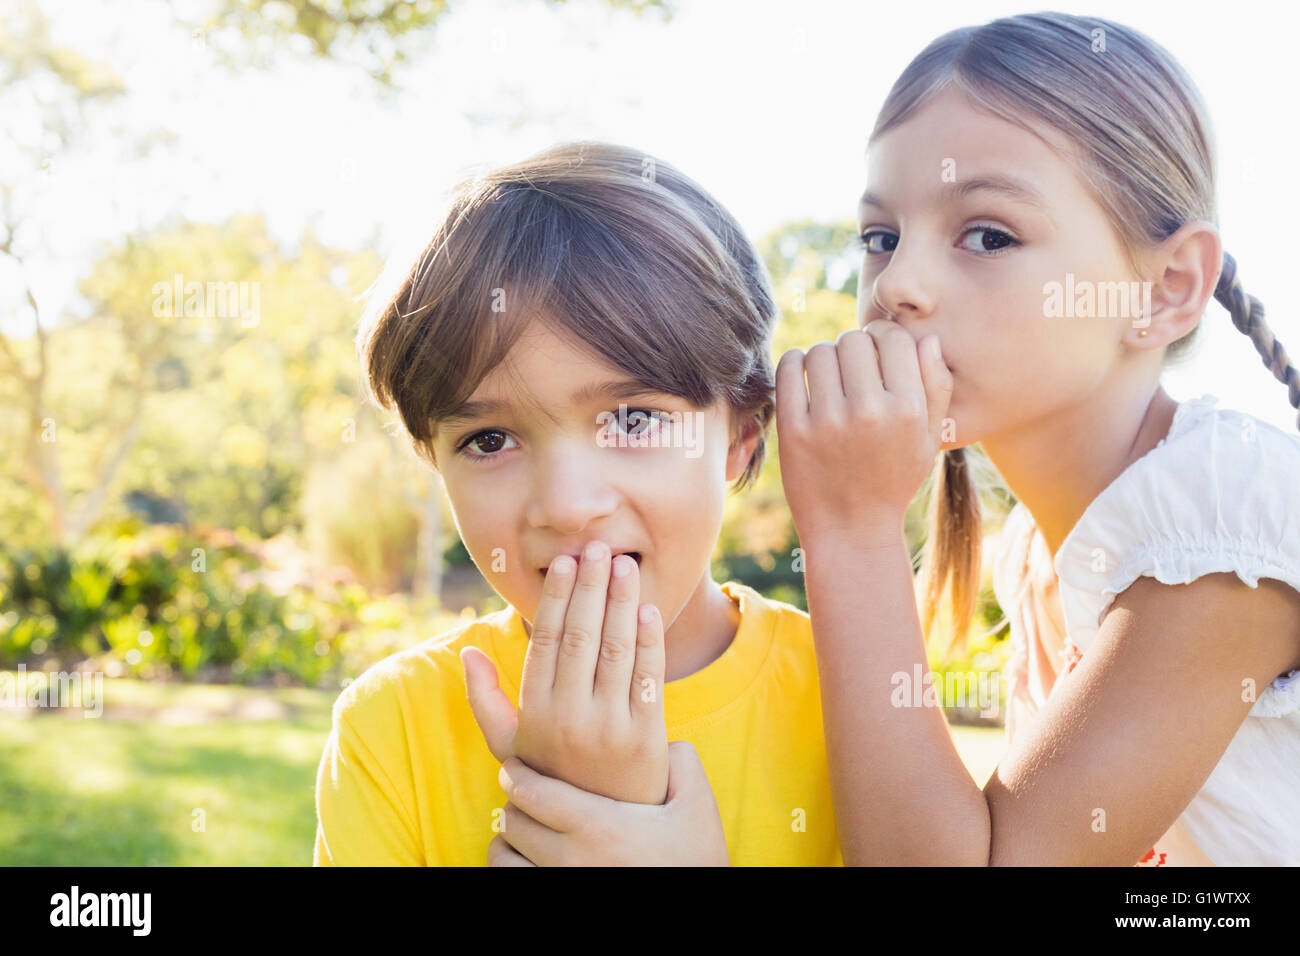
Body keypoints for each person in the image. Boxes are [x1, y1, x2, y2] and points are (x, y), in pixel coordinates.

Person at [777, 11, 1300, 865]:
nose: (898, 284)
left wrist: (849, 530)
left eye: (988, 235)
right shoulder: (1036, 559)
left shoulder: (1224, 514)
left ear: (1166, 289)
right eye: (881, 237)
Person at [312, 141, 842, 866]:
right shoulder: (392, 729)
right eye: (490, 438)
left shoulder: (850, 707)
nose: (565, 505)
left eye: (633, 418)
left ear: (740, 441)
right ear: (432, 460)